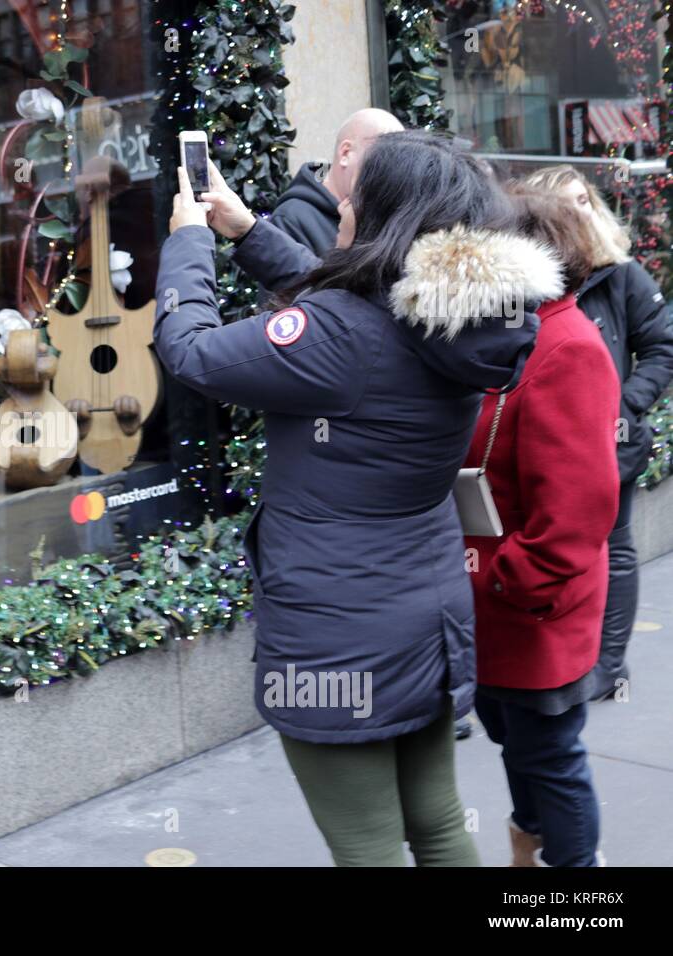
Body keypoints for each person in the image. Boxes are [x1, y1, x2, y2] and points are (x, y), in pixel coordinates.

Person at [154, 130, 557, 866]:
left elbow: (193, 352)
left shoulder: (345, 336)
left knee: (367, 847)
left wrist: (187, 244)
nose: (340, 204)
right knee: (437, 825)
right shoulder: (452, 319)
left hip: (336, 637)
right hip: (424, 618)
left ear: (384, 218)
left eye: (355, 196)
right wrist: (248, 231)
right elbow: (355, 314)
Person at [467, 184, 620, 867]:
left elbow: (577, 510)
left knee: (551, 758)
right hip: (499, 605)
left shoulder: (566, 347)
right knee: (521, 747)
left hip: (532, 609)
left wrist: (507, 582)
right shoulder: (516, 334)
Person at [523, 166, 673, 700]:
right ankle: (552, 659)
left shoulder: (622, 274)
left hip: (612, 442)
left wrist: (625, 405)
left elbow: (663, 345)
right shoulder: (525, 282)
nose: (580, 211)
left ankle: (608, 666)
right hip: (540, 444)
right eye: (566, 204)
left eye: (585, 200)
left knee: (615, 546)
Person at [268, 108, 404, 256]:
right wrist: (344, 249)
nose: (392, 170)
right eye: (383, 157)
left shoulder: (385, 212)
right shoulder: (291, 219)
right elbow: (296, 277)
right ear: (345, 153)